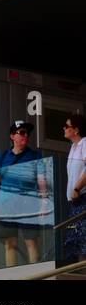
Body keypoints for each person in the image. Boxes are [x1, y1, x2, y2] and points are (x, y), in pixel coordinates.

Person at [0, 119, 51, 267]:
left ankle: (37, 277)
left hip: (28, 202)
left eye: (27, 133)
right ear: (12, 136)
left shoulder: (36, 155)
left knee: (31, 242)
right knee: (10, 243)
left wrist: (44, 203)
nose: (25, 135)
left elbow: (41, 181)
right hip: (7, 203)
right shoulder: (3, 156)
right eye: (21, 132)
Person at [64, 113, 86, 264]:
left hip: (83, 197)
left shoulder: (85, 143)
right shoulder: (73, 147)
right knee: (76, 241)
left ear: (76, 130)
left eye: (67, 126)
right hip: (74, 201)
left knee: (83, 239)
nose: (64, 128)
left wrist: (77, 188)